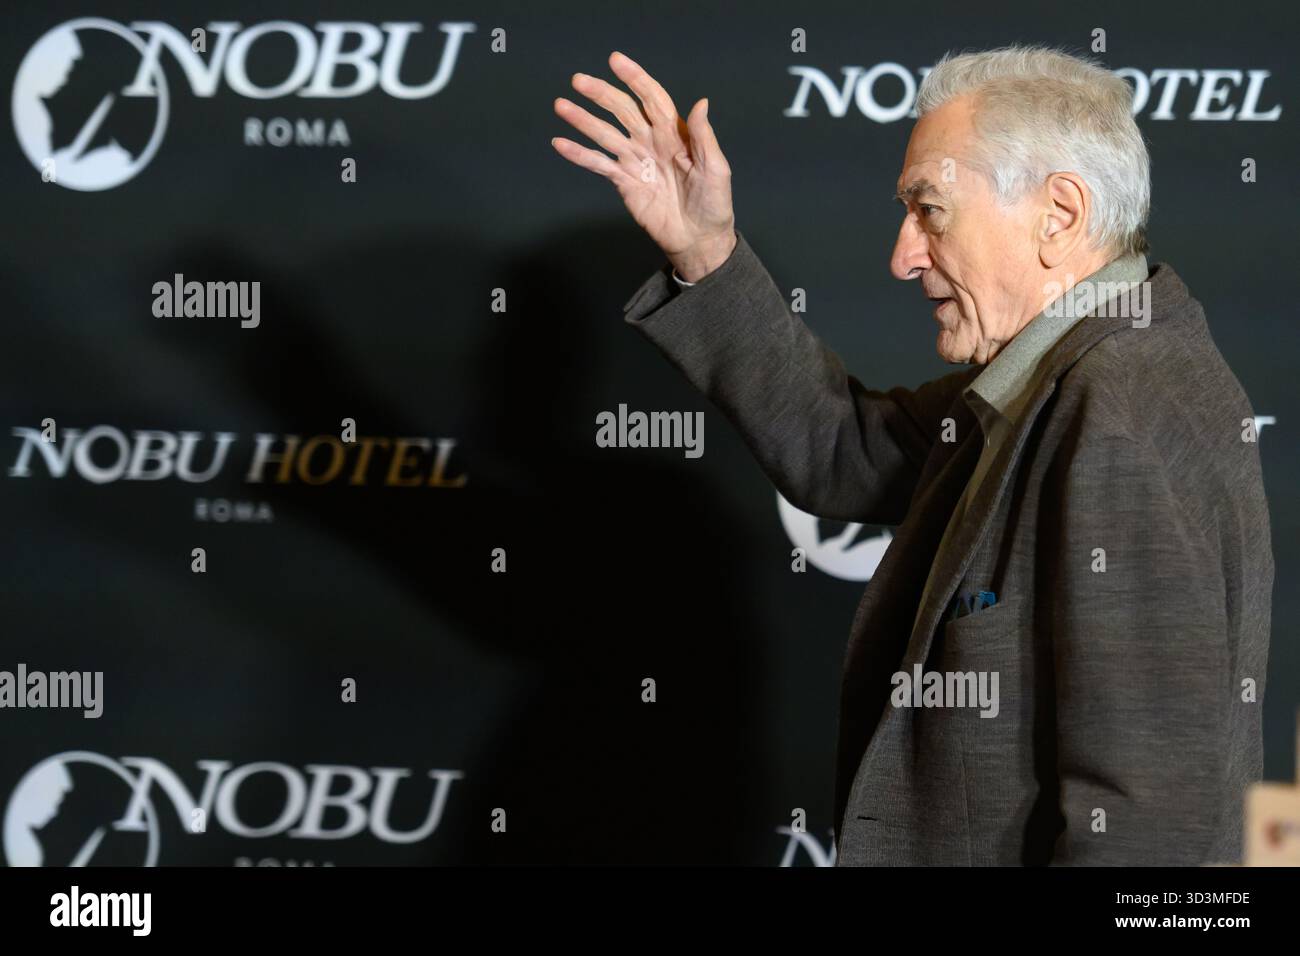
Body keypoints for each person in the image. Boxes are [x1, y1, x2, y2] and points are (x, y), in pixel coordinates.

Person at [551, 45, 1273, 865]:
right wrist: (706, 250)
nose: (903, 256)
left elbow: (1149, 819)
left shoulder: (1121, 406)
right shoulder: (1060, 372)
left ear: (1059, 215)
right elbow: (842, 448)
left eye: (930, 211)